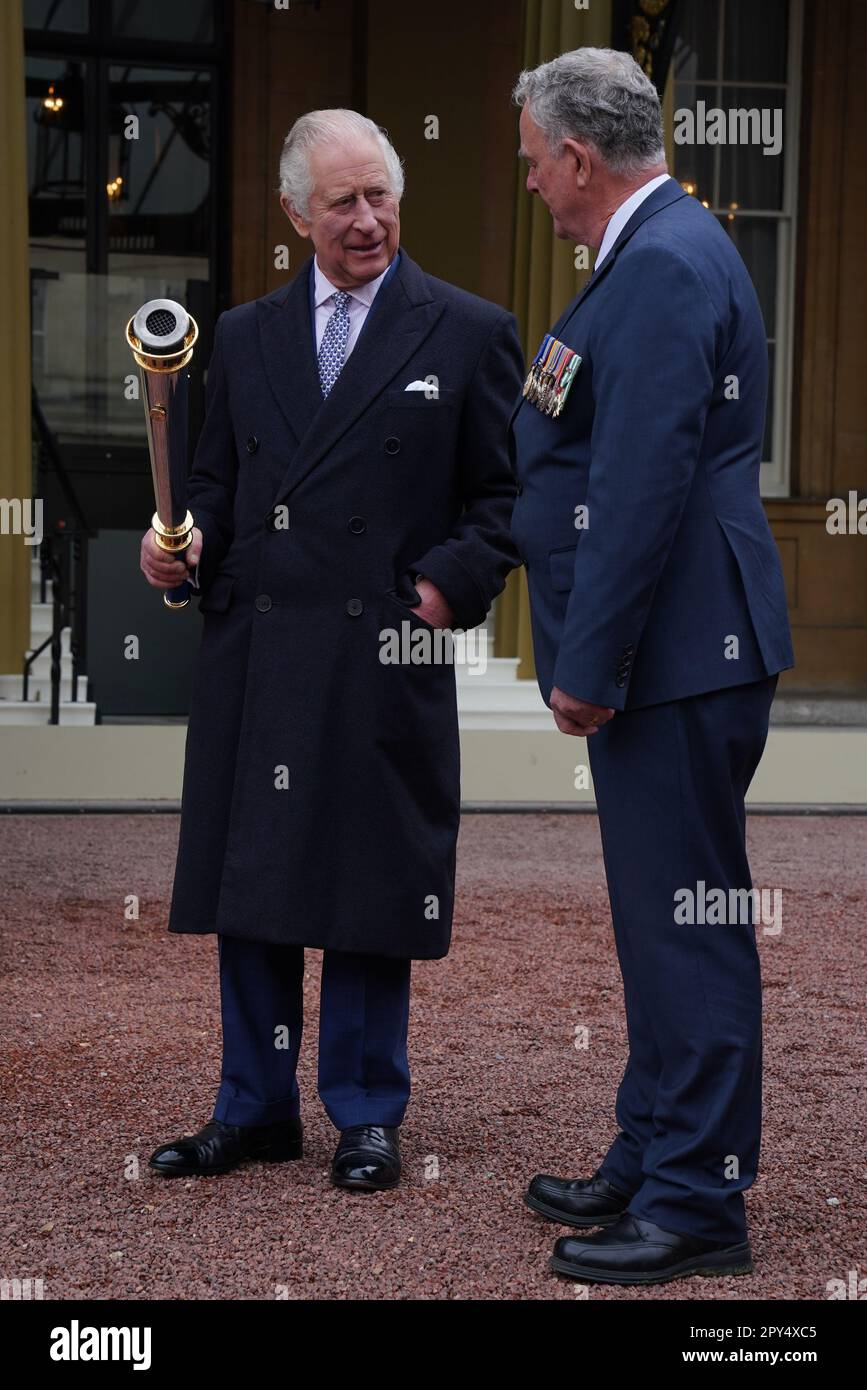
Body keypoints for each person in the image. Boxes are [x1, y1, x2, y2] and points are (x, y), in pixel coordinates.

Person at [139, 108, 523, 1193]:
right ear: (296, 213)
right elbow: (213, 484)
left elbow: (504, 500)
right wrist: (186, 544)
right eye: (345, 202)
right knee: (253, 876)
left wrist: (446, 587)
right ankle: (253, 1109)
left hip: (381, 650)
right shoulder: (247, 334)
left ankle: (365, 1111)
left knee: (370, 878)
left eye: (382, 196)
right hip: (259, 643)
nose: (369, 220)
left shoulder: (468, 330)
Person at [510, 48, 794, 1284]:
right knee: (659, 916)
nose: (528, 184)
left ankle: (698, 1204)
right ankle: (652, 1149)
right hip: (677, 643)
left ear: (578, 156)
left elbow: (638, 485)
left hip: (675, 645)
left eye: (531, 162)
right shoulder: (658, 249)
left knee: (688, 922)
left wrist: (589, 658)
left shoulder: (667, 261)